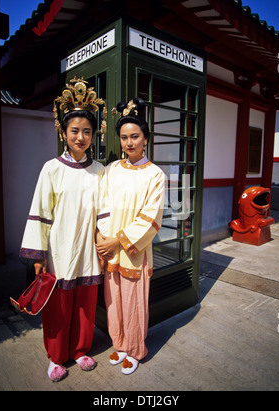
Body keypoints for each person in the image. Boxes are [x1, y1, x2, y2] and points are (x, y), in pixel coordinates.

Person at [19, 77, 107, 382]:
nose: (80, 137)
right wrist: (38, 254)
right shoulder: (52, 168)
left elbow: (105, 211)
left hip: (87, 248)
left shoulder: (100, 171)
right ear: (64, 133)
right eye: (74, 131)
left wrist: (106, 243)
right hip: (58, 249)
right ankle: (56, 357)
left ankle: (81, 350)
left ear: (94, 135)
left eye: (86, 131)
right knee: (58, 305)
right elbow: (40, 213)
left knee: (85, 302)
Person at [96, 98, 165, 375]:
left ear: (145, 138)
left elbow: (151, 218)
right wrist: (104, 238)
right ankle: (120, 344)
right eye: (124, 137)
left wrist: (119, 240)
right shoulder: (112, 169)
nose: (129, 142)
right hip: (111, 249)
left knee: (135, 303)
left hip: (134, 251)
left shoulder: (155, 175)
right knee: (114, 300)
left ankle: (136, 349)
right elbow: (103, 205)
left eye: (135, 136)